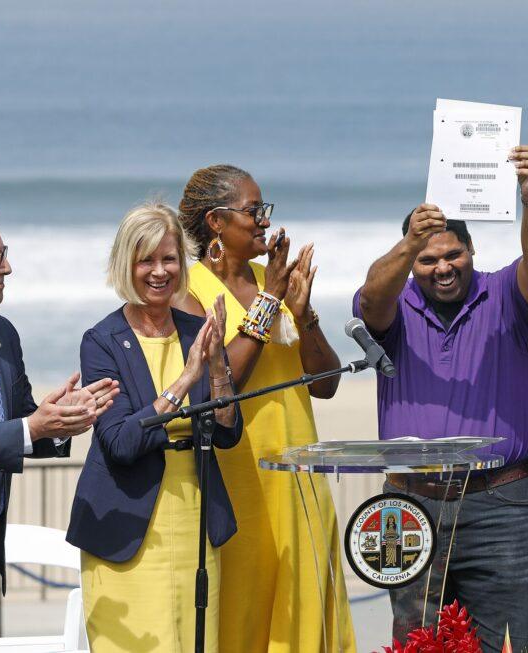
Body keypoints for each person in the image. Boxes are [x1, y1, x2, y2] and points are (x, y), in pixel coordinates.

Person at [354, 145, 528, 651]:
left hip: (499, 503)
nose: (442, 267)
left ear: (471, 252)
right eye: (427, 258)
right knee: (417, 641)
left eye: (452, 255)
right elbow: (371, 298)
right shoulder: (395, 306)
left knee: (507, 641)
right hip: (409, 502)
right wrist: (408, 243)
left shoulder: (505, 295)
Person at [177, 165, 354, 652]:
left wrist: (303, 312)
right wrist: (270, 299)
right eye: (253, 211)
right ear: (215, 221)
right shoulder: (188, 291)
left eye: (263, 210)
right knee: (245, 607)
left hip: (299, 470)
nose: (263, 221)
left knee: (305, 599)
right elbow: (223, 382)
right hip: (240, 476)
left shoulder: (269, 278)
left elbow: (326, 384)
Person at [66, 203, 240, 652]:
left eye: (169, 259)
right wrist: (184, 380)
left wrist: (218, 365)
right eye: (147, 260)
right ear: (127, 264)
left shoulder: (197, 331)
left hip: (195, 522)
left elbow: (227, 432)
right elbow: (121, 442)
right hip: (127, 526)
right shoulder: (101, 341)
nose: (159, 271)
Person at [0, 200, 118, 652]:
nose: (7, 268)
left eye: (4, 253)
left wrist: (63, 420)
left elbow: (23, 423)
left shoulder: (1, 333)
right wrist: (31, 427)